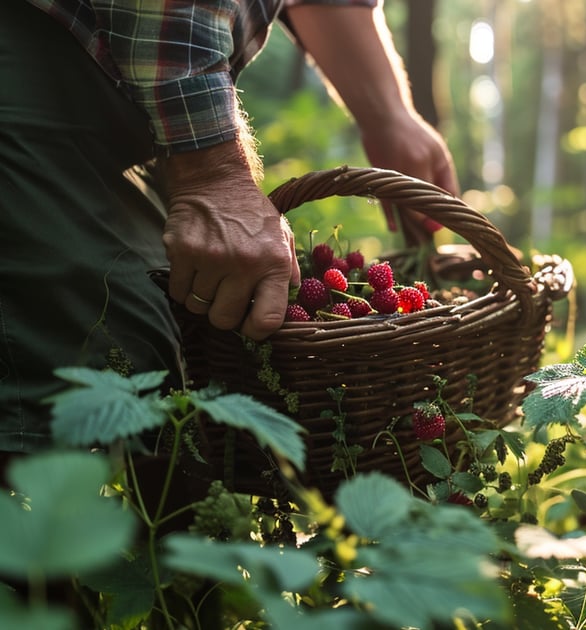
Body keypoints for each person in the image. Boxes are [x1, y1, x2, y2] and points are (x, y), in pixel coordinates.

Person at [0, 0, 459, 455]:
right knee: (111, 353)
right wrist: (212, 172)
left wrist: (388, 114)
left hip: (124, 92)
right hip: (32, 53)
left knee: (174, 322)